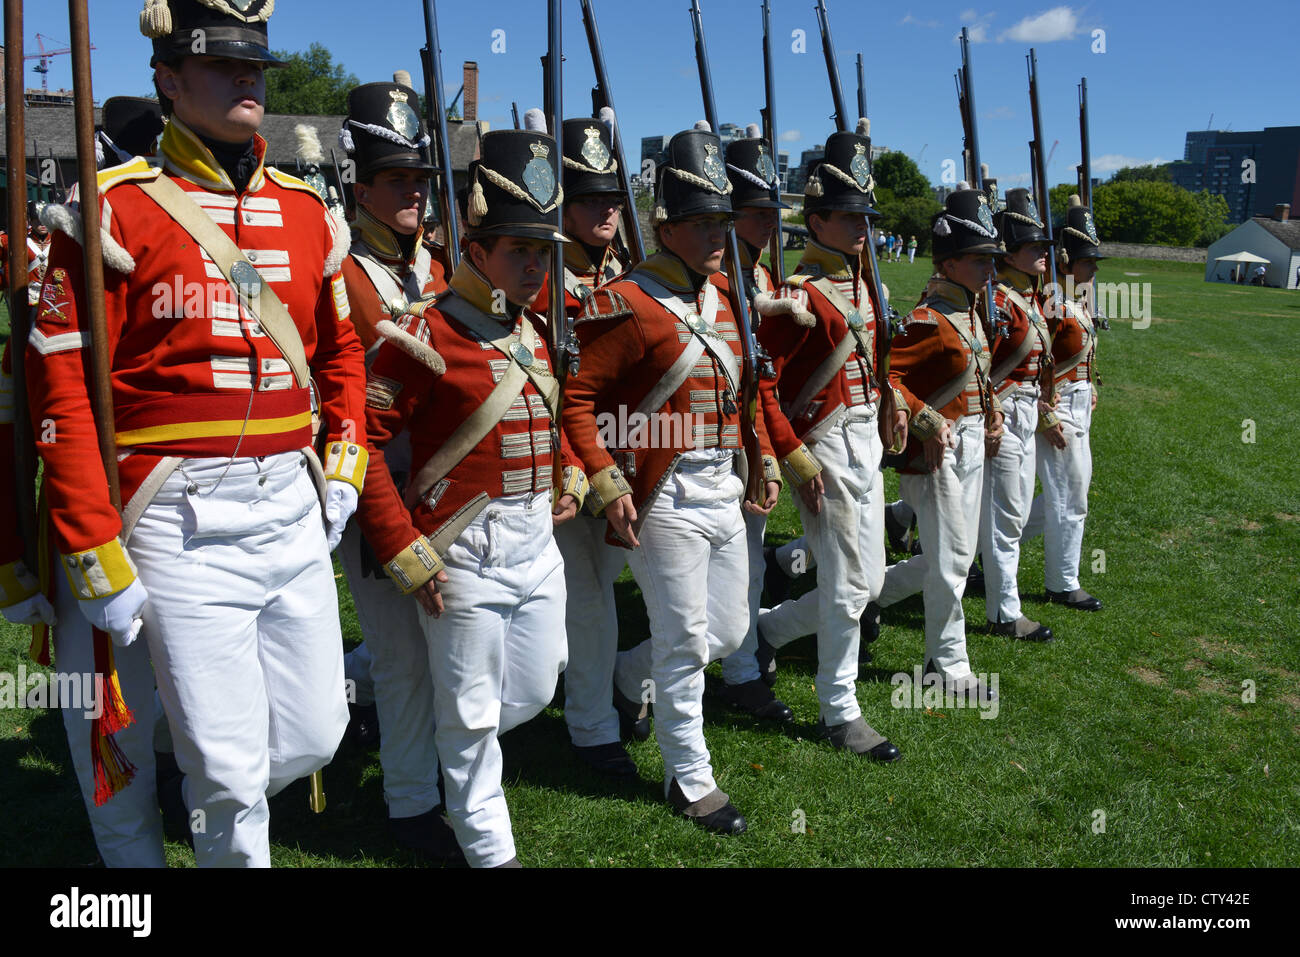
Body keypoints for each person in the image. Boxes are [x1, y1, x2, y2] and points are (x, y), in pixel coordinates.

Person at [23, 0, 367, 867]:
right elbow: (59, 389)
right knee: (228, 765)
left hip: (291, 499)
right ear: (169, 81)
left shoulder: (306, 212)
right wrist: (93, 550)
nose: (248, 79)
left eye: (256, 66)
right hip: (177, 513)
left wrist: (344, 464)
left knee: (317, 732)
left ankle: (210, 775)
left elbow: (344, 355)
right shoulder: (112, 211)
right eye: (223, 66)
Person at [356, 125, 585, 867]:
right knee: (472, 712)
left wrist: (574, 469)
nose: (533, 266)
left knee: (535, 684)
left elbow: (554, 416)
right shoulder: (422, 332)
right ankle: (488, 846)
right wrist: (400, 545)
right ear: (477, 250)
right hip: (460, 546)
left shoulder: (536, 331)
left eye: (541, 251)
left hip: (534, 543)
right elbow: (363, 443)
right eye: (518, 250)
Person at [562, 125, 782, 834]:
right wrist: (604, 478)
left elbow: (746, 390)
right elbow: (578, 399)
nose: (717, 234)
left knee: (728, 628)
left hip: (723, 481)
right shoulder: (623, 300)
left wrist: (765, 455)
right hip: (666, 492)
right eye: (700, 222)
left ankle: (631, 678)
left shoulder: (727, 295)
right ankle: (690, 778)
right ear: (663, 226)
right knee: (687, 637)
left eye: (722, 219)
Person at [739, 123, 906, 759]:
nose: (861, 227)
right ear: (817, 219)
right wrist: (791, 454)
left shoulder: (865, 283)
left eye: (865, 216)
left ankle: (767, 635)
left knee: (864, 583)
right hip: (825, 445)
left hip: (865, 441)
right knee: (843, 586)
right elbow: (764, 385)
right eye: (848, 216)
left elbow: (876, 362)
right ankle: (840, 708)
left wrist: (892, 403)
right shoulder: (800, 292)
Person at [331, 79, 454, 858]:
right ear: (362, 186)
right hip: (374, 477)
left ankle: (348, 689)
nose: (413, 192)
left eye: (419, 178)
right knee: (406, 658)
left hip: (444, 486)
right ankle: (412, 804)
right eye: (397, 179)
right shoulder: (338, 272)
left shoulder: (440, 268)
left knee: (446, 647)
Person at [538, 113, 640, 777]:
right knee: (586, 599)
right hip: (561, 457)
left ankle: (611, 688)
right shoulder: (542, 274)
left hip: (626, 451)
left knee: (606, 590)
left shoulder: (625, 271)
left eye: (612, 197)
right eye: (589, 198)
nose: (605, 209)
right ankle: (593, 727)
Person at [873, 187, 1004, 699]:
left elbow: (977, 372)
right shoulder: (929, 318)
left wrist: (989, 412)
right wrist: (924, 417)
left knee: (948, 559)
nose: (988, 269)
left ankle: (851, 604)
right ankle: (945, 666)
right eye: (977, 260)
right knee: (950, 564)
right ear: (948, 263)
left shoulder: (970, 311)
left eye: (990, 259)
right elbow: (884, 377)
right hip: (939, 451)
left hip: (969, 442)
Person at [713, 128, 794, 724]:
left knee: (750, 560)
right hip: (713, 431)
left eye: (772, 209)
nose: (768, 220)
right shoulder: (716, 276)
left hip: (755, 425)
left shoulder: (760, 275)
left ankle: (742, 668)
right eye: (756, 210)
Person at [979, 188, 1057, 642]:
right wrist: (993, 413)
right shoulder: (998, 302)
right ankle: (1004, 611)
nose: (1043, 254)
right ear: (1009, 253)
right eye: (1034, 248)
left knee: (1012, 513)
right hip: (1002, 412)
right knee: (1007, 516)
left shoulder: (1026, 297)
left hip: (1026, 410)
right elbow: (978, 365)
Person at [1021, 194, 1104, 612]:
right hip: (1056, 408)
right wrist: (1046, 412)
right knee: (1071, 497)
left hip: (1078, 405)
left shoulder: (1077, 301)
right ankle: (1062, 582)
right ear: (1067, 261)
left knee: (1066, 494)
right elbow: (1033, 363)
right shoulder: (1050, 304)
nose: (1093, 269)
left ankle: (990, 544)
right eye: (1088, 262)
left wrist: (1092, 382)